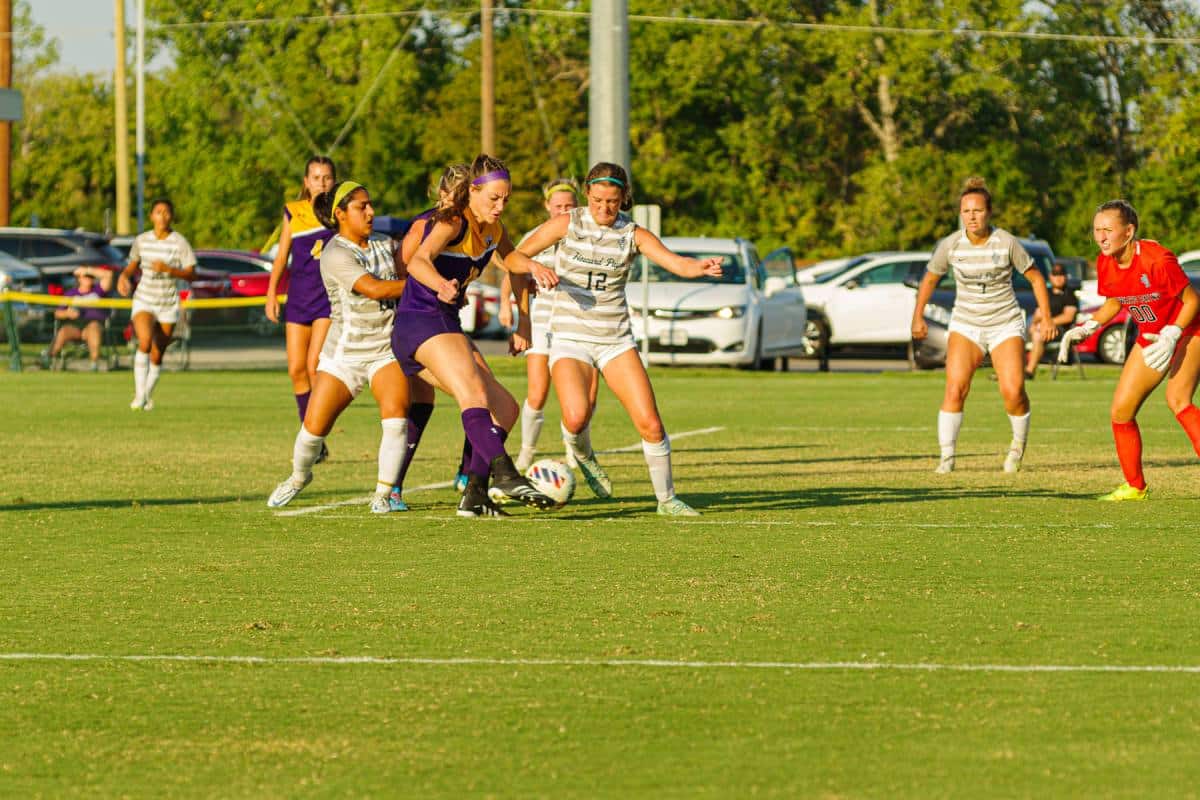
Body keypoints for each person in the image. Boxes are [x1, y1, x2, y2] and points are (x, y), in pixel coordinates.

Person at [516, 161, 723, 516]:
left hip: (615, 339)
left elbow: (675, 262)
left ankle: (667, 500)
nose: (604, 209)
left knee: (650, 422)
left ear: (623, 198)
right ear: (587, 194)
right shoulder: (567, 223)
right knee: (576, 417)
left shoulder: (633, 233)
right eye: (597, 200)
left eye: (612, 201)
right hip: (569, 336)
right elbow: (514, 257)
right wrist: (535, 267)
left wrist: (699, 267)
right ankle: (583, 454)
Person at [393, 154, 558, 517]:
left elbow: (512, 260)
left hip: (445, 324)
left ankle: (475, 494)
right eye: (493, 198)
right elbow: (418, 260)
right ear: (472, 191)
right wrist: (440, 284)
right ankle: (504, 472)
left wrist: (532, 267)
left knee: (506, 408)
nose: (500, 206)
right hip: (420, 319)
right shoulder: (454, 221)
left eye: (506, 199)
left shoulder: (493, 230)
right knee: (475, 393)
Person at [267, 181, 411, 514]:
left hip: (383, 351)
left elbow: (411, 262)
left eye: (370, 204)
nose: (371, 212)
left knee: (396, 418)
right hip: (343, 356)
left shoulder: (385, 244)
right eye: (362, 207)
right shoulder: (334, 253)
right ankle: (298, 477)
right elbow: (374, 289)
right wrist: (420, 287)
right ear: (341, 215)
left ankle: (383, 493)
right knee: (312, 432)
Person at [911, 177, 1056, 474]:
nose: (971, 216)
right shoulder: (950, 245)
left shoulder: (1006, 242)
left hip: (1004, 323)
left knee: (1013, 390)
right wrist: (917, 316)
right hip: (967, 323)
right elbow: (929, 279)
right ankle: (947, 458)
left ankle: (1017, 446)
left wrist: (1047, 316)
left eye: (977, 210)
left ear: (989, 213)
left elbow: (1036, 279)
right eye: (966, 211)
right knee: (955, 388)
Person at [1058, 200, 1200, 500]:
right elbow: (1114, 302)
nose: (1101, 237)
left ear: (1129, 231)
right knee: (1121, 412)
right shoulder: (1105, 261)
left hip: (1189, 330)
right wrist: (1088, 326)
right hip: (1151, 336)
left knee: (1177, 399)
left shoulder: (1158, 259)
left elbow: (1192, 301)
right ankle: (1135, 487)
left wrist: (1173, 333)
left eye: (1108, 229)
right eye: (1097, 230)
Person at [499, 177, 605, 485]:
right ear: (547, 207)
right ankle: (526, 451)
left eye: (569, 206)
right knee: (538, 391)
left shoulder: (588, 234)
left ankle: (575, 446)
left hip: (579, 321)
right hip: (544, 320)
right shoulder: (537, 236)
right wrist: (507, 305)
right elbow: (513, 266)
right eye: (557, 206)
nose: (563, 210)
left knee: (584, 394)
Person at [265, 156, 337, 462]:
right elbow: (282, 257)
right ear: (306, 182)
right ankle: (313, 437)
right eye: (316, 177)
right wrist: (271, 294)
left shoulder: (338, 213)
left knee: (313, 367)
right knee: (296, 369)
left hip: (327, 300)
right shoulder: (293, 212)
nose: (321, 182)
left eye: (327, 177)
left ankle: (314, 436)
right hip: (298, 298)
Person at [117, 198, 196, 410]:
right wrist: (123, 277)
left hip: (168, 303)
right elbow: (131, 266)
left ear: (172, 216)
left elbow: (191, 274)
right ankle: (139, 396)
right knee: (144, 341)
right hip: (144, 299)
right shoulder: (142, 240)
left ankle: (146, 395)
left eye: (166, 212)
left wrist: (170, 270)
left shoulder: (179, 242)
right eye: (158, 212)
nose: (162, 216)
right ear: (151, 216)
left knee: (157, 352)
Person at [45, 267, 113, 370]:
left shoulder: (99, 291)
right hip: (75, 326)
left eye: (91, 277)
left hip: (93, 324)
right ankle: (49, 360)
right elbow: (57, 313)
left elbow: (108, 275)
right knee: (63, 332)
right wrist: (67, 313)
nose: (89, 279)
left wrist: (87, 270)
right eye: (85, 277)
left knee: (93, 329)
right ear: (79, 279)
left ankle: (94, 364)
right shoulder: (71, 294)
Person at [1025, 262, 1079, 378]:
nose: (1058, 278)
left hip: (1060, 331)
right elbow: (1038, 313)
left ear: (1065, 276)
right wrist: (1034, 323)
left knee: (1038, 335)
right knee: (1016, 336)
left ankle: (1029, 371)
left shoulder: (1070, 295)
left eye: (1061, 274)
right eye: (1055, 274)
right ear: (1050, 276)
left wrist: (1047, 323)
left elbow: (1068, 317)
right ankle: (1009, 373)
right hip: (1041, 327)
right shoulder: (1046, 293)